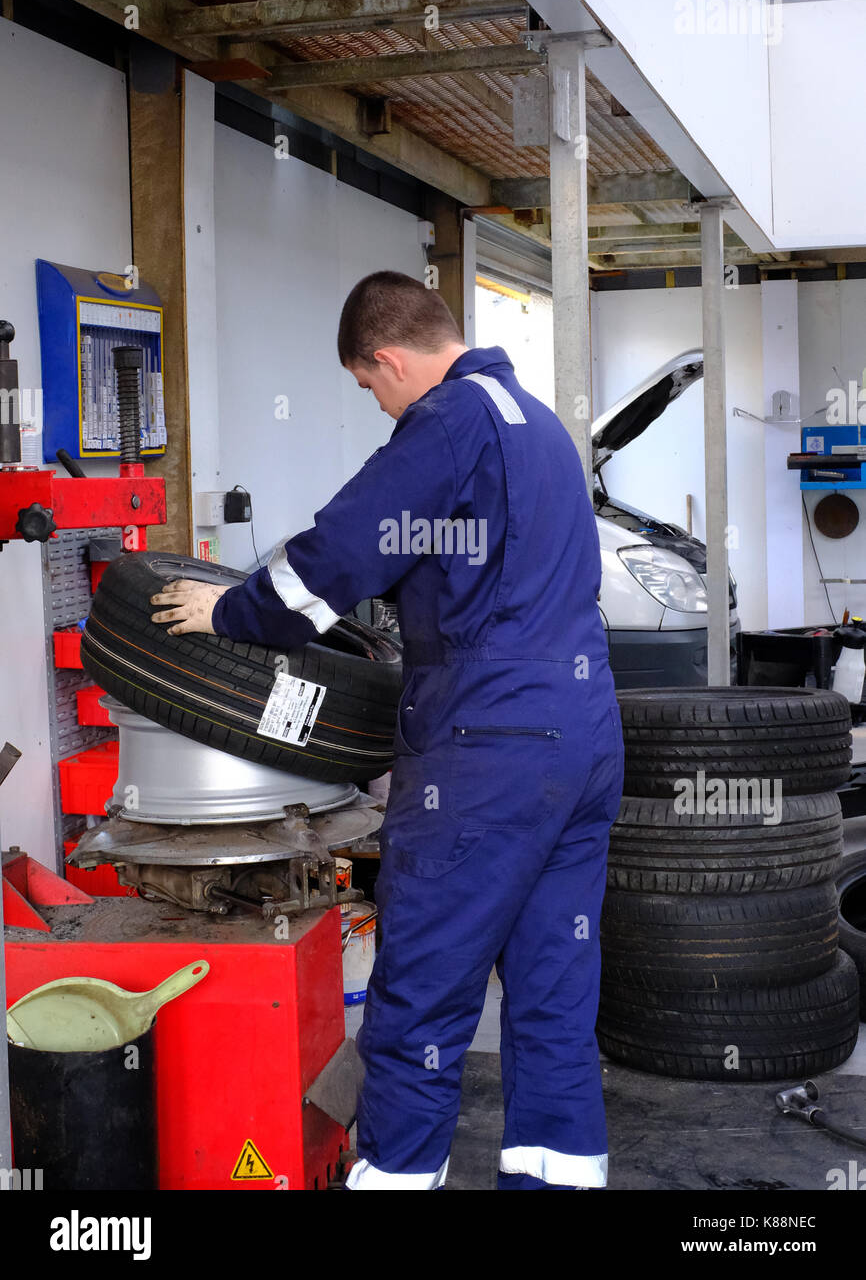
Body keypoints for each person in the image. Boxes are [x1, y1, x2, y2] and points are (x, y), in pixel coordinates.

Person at [151, 270, 624, 1191]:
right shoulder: (541, 429)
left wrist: (229, 614)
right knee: (554, 1003)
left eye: (371, 388)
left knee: (420, 1005)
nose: (379, 406)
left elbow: (332, 559)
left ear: (390, 358)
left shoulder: (447, 423)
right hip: (582, 739)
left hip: (488, 753)